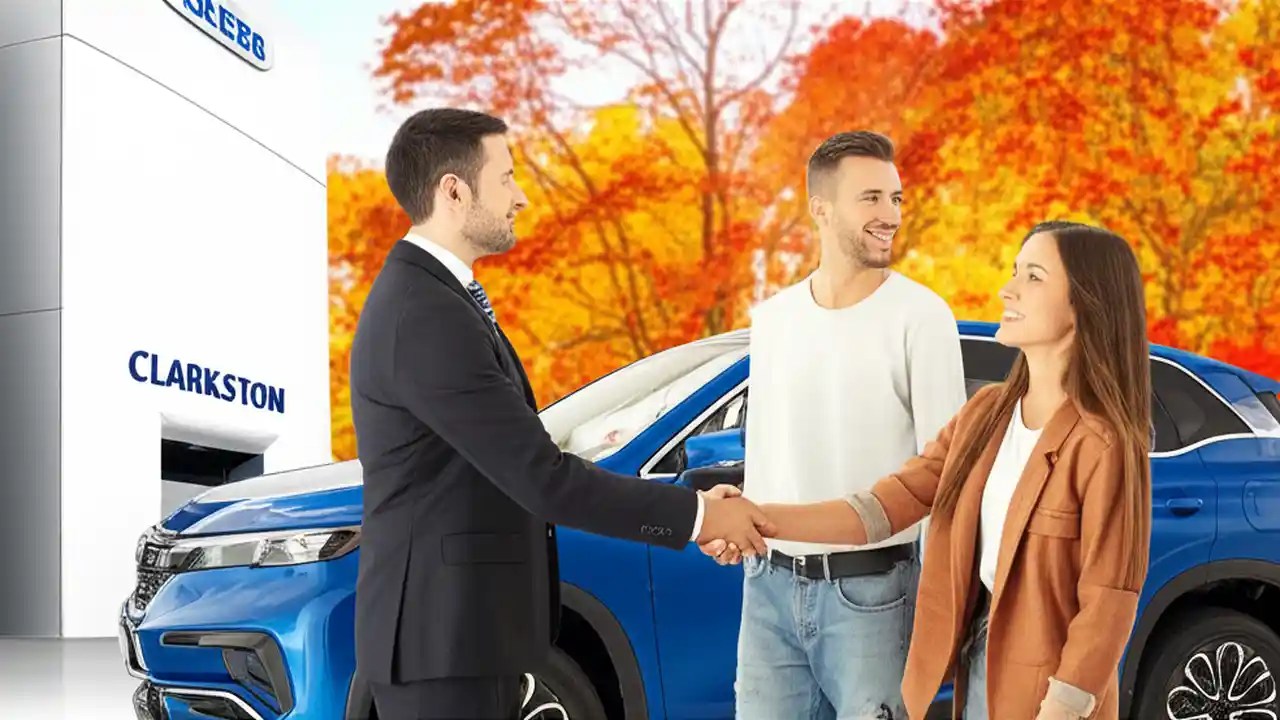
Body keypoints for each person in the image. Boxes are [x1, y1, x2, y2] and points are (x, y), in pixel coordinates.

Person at [348, 107, 776, 720]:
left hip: (465, 639)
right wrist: (699, 515)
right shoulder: (425, 312)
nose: (520, 197)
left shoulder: (438, 298)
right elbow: (541, 477)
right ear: (453, 191)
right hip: (441, 648)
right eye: (507, 178)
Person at [707, 220, 1154, 719]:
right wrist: (755, 518)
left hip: (1051, 687)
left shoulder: (1104, 444)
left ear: (1083, 304)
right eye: (1013, 272)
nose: (1007, 289)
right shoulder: (985, 415)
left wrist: (1062, 709)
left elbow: (1107, 605)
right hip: (981, 658)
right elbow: (883, 508)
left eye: (1033, 276)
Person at [706, 131, 969, 720]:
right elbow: (777, 454)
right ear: (820, 209)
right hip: (767, 590)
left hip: (873, 595)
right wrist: (741, 518)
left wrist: (941, 614)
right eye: (871, 198)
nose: (890, 215)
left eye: (897, 199)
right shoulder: (773, 319)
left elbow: (947, 480)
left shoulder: (921, 317)